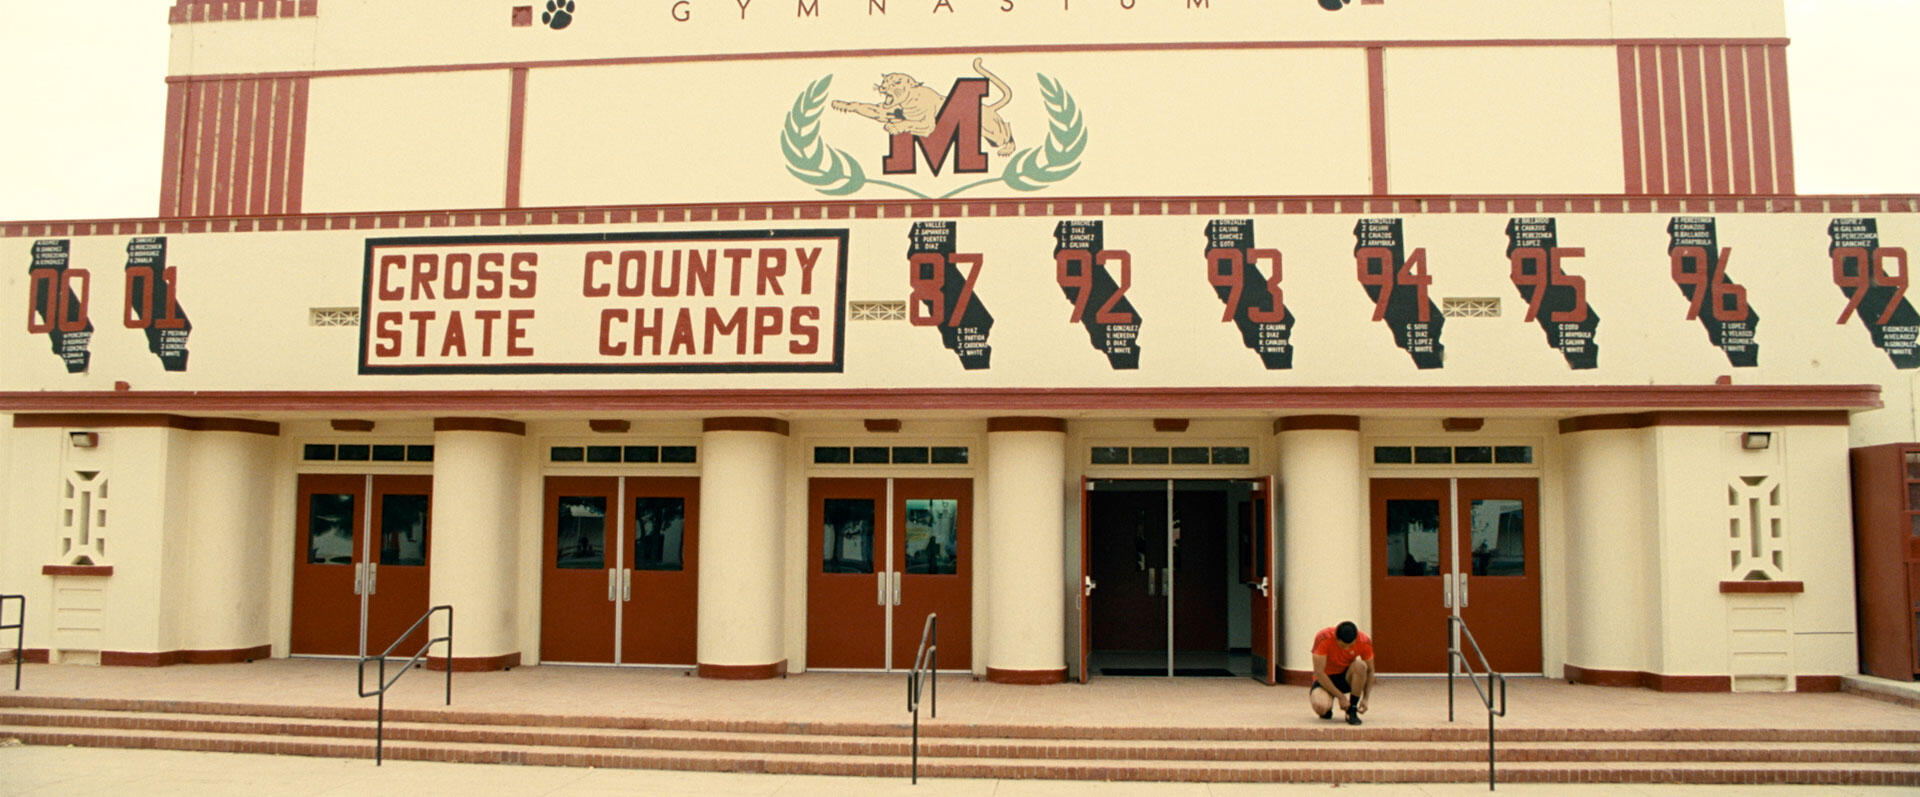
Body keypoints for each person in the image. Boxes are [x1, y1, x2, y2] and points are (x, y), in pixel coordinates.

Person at [1308, 620, 1374, 725]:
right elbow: (1319, 672)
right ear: (1336, 638)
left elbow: (1370, 671)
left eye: (1350, 645)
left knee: (1361, 666)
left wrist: (1366, 698)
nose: (1346, 648)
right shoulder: (1323, 638)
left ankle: (1352, 709)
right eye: (1343, 646)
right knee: (1321, 707)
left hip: (1346, 677)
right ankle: (1328, 704)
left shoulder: (1364, 641)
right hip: (1326, 679)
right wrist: (1341, 697)